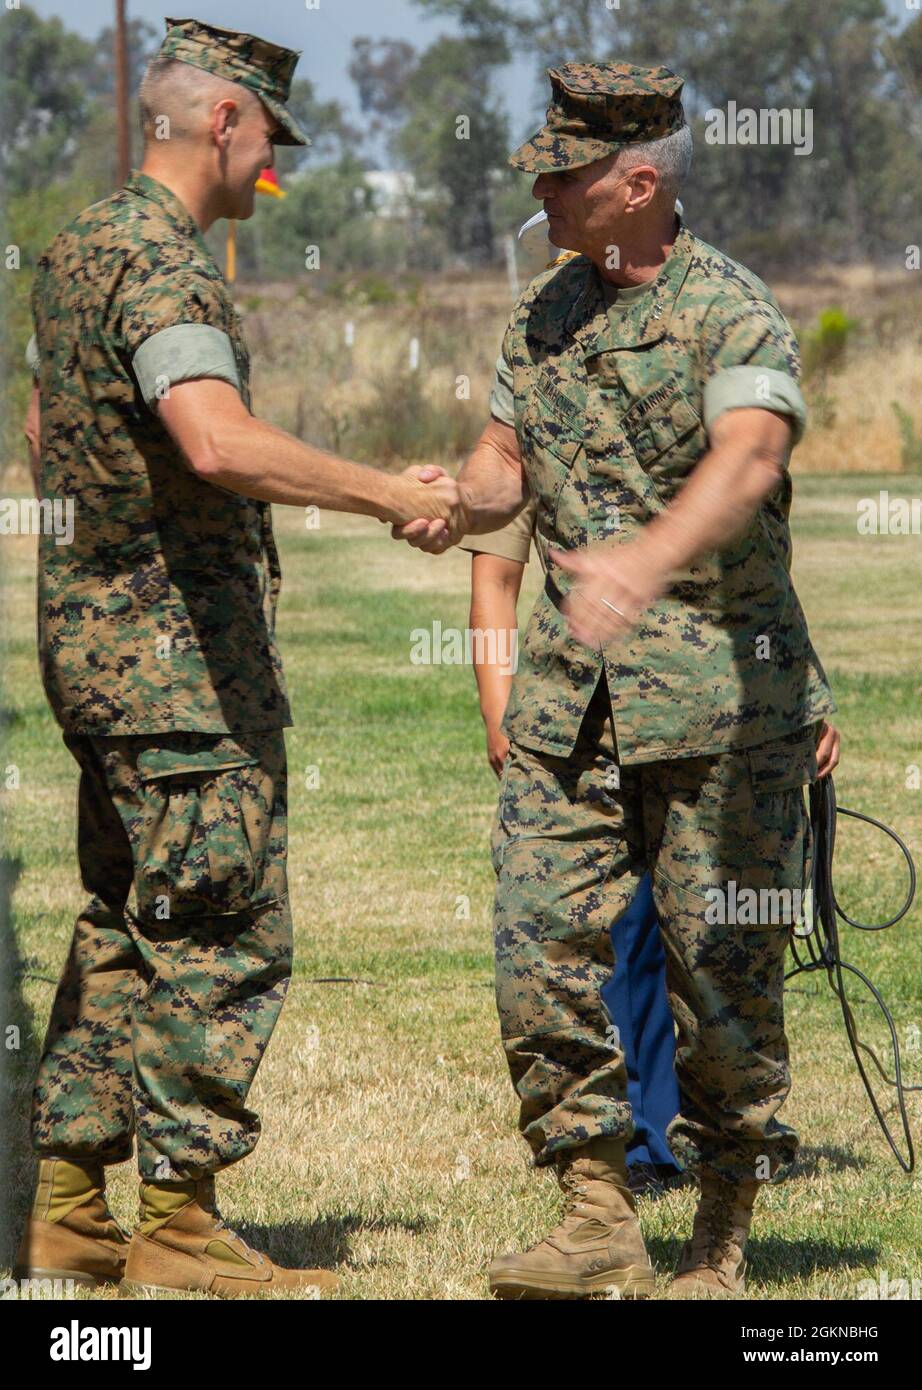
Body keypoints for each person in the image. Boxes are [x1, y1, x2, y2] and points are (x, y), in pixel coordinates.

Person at [14, 16, 463, 1299]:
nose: (275, 165)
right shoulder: (166, 264)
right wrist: (386, 491)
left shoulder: (79, 248)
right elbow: (212, 439)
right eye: (269, 137)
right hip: (180, 675)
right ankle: (177, 1222)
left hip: (96, 656)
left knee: (121, 921)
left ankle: (64, 1209)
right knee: (219, 927)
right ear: (223, 122)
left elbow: (53, 423)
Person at [395, 61, 840, 1299]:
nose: (539, 185)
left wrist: (644, 558)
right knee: (536, 948)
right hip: (566, 709)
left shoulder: (730, 312)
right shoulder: (539, 309)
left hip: (719, 704)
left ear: (636, 183)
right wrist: (449, 500)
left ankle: (720, 1236)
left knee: (721, 979)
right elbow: (502, 463)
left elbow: (749, 456)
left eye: (563, 169)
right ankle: (594, 1213)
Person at [460, 503, 683, 1189]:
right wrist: (499, 709)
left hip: (695, 711)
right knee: (596, 931)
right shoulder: (531, 405)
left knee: (681, 932)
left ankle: (677, 1131)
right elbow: (495, 577)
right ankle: (625, 1143)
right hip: (581, 723)